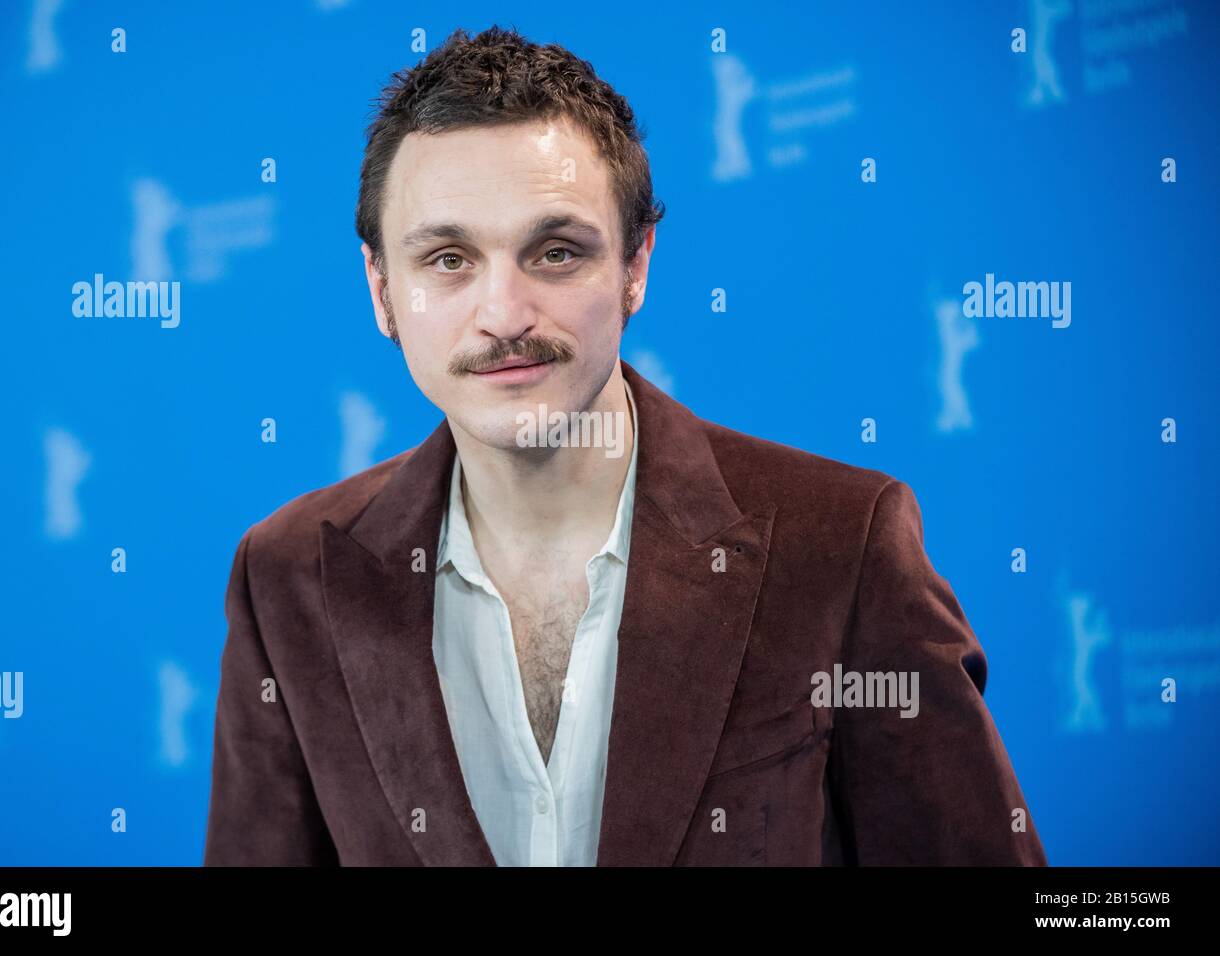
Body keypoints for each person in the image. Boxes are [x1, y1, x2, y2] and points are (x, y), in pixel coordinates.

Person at [203, 25, 1046, 867]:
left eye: (557, 251)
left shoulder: (843, 545)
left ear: (637, 264)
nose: (505, 313)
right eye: (450, 258)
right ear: (383, 290)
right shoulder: (288, 577)